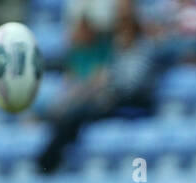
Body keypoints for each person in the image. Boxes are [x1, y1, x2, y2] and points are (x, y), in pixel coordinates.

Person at [37, 10, 157, 173]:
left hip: (131, 102)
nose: (120, 37)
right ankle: (51, 152)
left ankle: (48, 160)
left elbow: (133, 85)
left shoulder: (142, 52)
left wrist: (110, 87)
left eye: (124, 31)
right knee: (75, 109)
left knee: (79, 114)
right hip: (115, 98)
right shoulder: (119, 53)